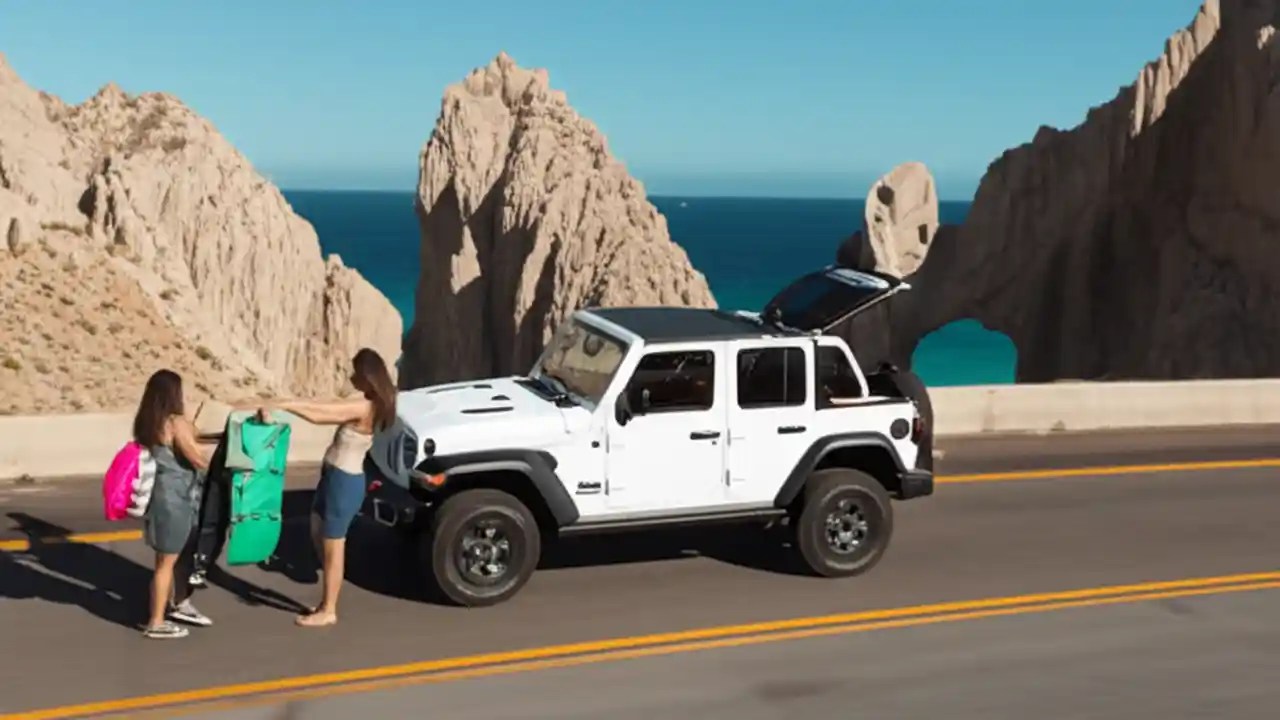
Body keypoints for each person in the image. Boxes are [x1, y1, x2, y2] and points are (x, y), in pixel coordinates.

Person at [258, 348, 397, 627]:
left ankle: (329, 610)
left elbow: (321, 415)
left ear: (367, 376)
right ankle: (326, 600)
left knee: (334, 547)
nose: (352, 376)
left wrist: (286, 405)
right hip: (332, 478)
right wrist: (290, 403)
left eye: (356, 371)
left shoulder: (365, 407)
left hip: (344, 483)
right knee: (317, 531)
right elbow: (324, 405)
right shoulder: (368, 402)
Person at [132, 369, 215, 639]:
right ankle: (156, 622)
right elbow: (197, 458)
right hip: (177, 499)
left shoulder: (147, 421)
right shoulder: (176, 421)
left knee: (174, 558)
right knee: (166, 563)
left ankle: (179, 603)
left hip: (161, 496)